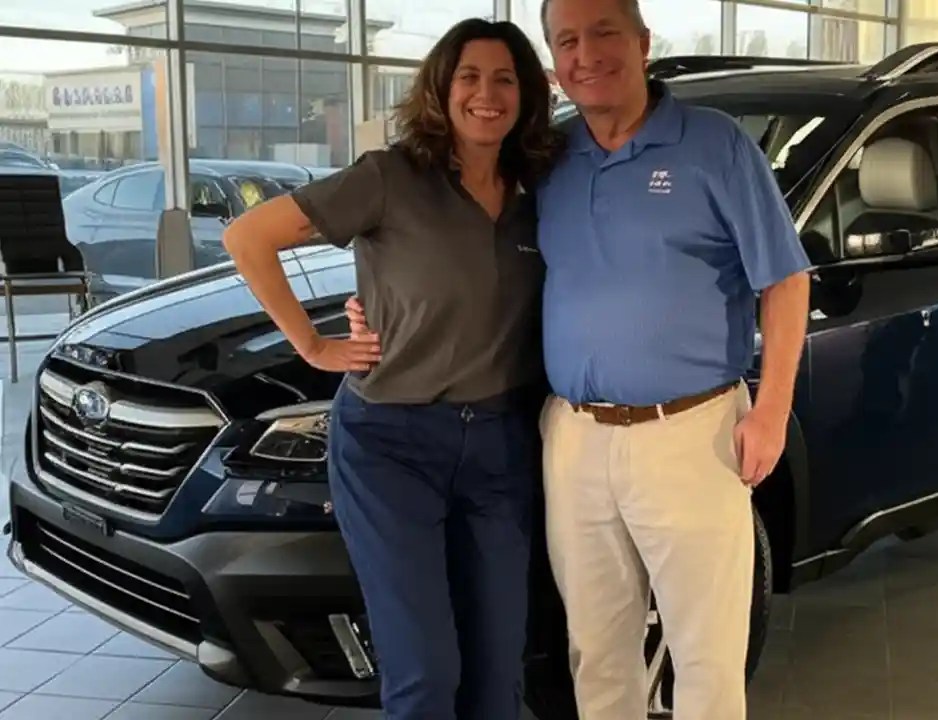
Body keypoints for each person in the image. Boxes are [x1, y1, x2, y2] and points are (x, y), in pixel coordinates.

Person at [348, 0, 811, 716]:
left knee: (706, 658)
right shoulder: (552, 161)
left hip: (692, 434)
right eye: (567, 40)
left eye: (604, 34)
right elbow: (475, 257)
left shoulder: (714, 145)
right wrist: (377, 309)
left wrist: (774, 408)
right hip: (573, 439)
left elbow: (785, 278)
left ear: (642, 42)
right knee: (595, 651)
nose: (586, 54)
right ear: (554, 62)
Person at [221, 18, 561, 720]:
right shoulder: (391, 176)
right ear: (441, 88)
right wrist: (314, 346)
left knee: (498, 676)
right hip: (392, 445)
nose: (486, 94)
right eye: (469, 76)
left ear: (527, 95)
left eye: (504, 79)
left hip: (500, 444)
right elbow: (248, 236)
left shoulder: (541, 189)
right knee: (426, 676)